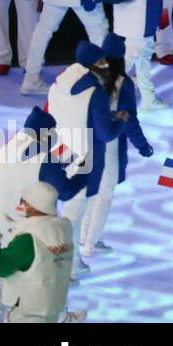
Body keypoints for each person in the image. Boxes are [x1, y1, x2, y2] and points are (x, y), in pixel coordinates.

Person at [0, 107, 88, 318]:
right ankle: (60, 318)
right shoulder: (45, 157)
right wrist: (84, 171)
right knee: (47, 278)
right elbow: (66, 191)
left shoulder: (5, 149)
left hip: (3, 223)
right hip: (34, 230)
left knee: (0, 280)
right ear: (46, 133)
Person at [46, 41, 130, 279]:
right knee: (73, 214)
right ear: (94, 64)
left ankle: (66, 261)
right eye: (101, 62)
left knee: (65, 210)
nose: (105, 65)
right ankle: (69, 268)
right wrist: (120, 120)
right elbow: (106, 133)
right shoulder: (96, 93)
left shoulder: (59, 82)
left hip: (61, 152)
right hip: (86, 157)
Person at [77, 35, 154, 258]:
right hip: (109, 142)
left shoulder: (91, 77)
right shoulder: (124, 83)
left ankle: (83, 235)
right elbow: (128, 120)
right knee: (105, 193)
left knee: (91, 190)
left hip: (86, 139)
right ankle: (92, 242)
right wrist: (143, 146)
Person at [0, 182, 86, 323]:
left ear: (31, 205)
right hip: (52, 308)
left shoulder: (28, 239)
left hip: (27, 312)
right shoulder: (64, 228)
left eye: (24, 201)